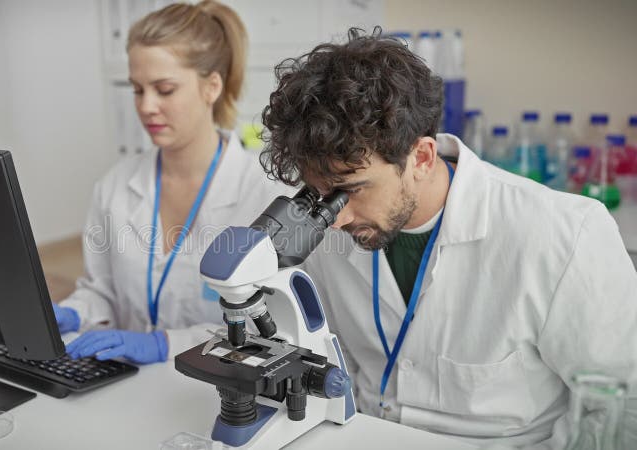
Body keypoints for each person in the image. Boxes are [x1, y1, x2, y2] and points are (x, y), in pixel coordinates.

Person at [259, 28, 637, 448]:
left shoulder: (563, 235)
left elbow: (624, 405)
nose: (334, 218)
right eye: (322, 195)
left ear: (421, 157)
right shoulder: (327, 227)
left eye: (353, 190)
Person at [54, 1, 289, 365]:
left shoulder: (263, 196)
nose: (146, 106)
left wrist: (166, 344)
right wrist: (73, 311)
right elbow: (103, 292)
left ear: (211, 87)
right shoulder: (114, 187)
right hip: (122, 385)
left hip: (218, 393)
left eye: (164, 90)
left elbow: (271, 329)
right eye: (137, 89)